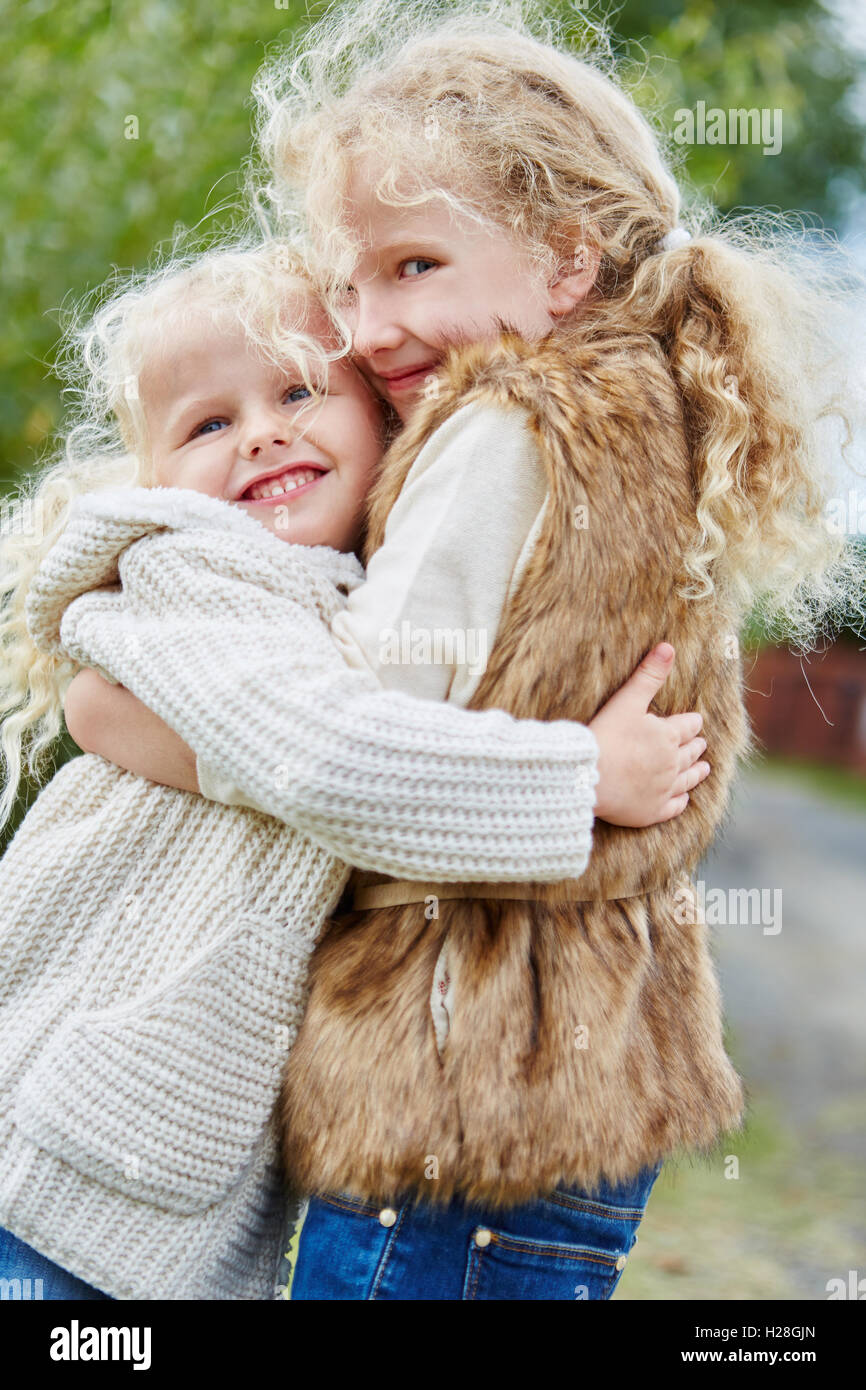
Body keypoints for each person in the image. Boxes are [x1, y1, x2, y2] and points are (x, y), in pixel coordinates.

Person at [0, 235, 704, 1300]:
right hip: (59, 1183)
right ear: (155, 478)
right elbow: (334, 759)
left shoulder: (342, 594)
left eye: (296, 389)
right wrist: (581, 777)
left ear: (379, 419)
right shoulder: (200, 576)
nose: (262, 435)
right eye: (207, 424)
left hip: (147, 1194)